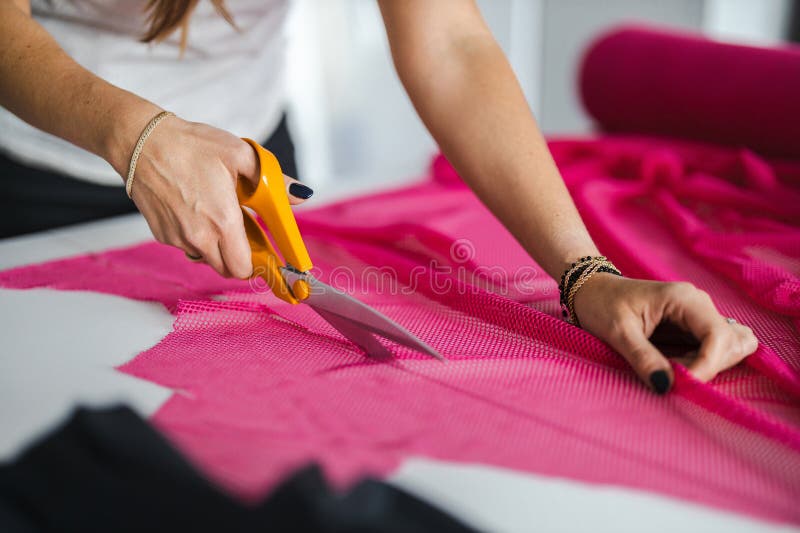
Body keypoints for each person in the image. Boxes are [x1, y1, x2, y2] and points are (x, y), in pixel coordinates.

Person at [0, 0, 757, 393]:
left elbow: (450, 46)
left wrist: (586, 273)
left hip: (247, 162)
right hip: (37, 168)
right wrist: (137, 139)